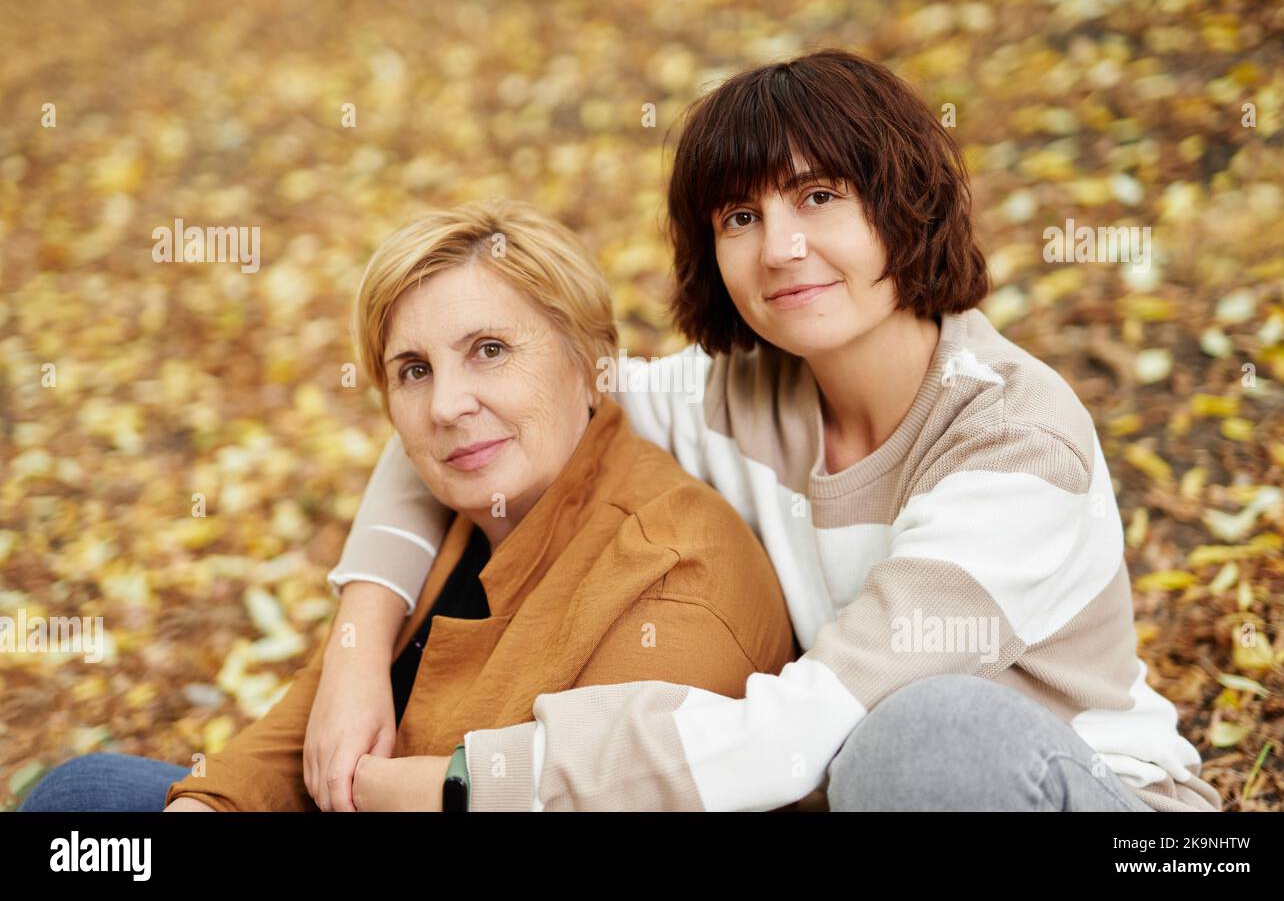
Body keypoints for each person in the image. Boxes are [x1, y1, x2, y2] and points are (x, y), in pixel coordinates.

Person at [308, 49, 1223, 812]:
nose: (780, 248)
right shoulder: (733, 399)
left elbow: (804, 727)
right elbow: (485, 414)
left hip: (1117, 814)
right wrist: (357, 650)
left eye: (818, 196)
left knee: (921, 731)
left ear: (904, 200)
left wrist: (472, 781)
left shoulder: (1015, 441)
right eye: (740, 217)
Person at [18, 199, 796, 812]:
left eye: (490, 350)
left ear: (593, 366)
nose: (448, 405)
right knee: (80, 801)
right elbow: (300, 740)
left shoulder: (674, 570)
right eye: (413, 370)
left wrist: (372, 788)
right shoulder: (450, 518)